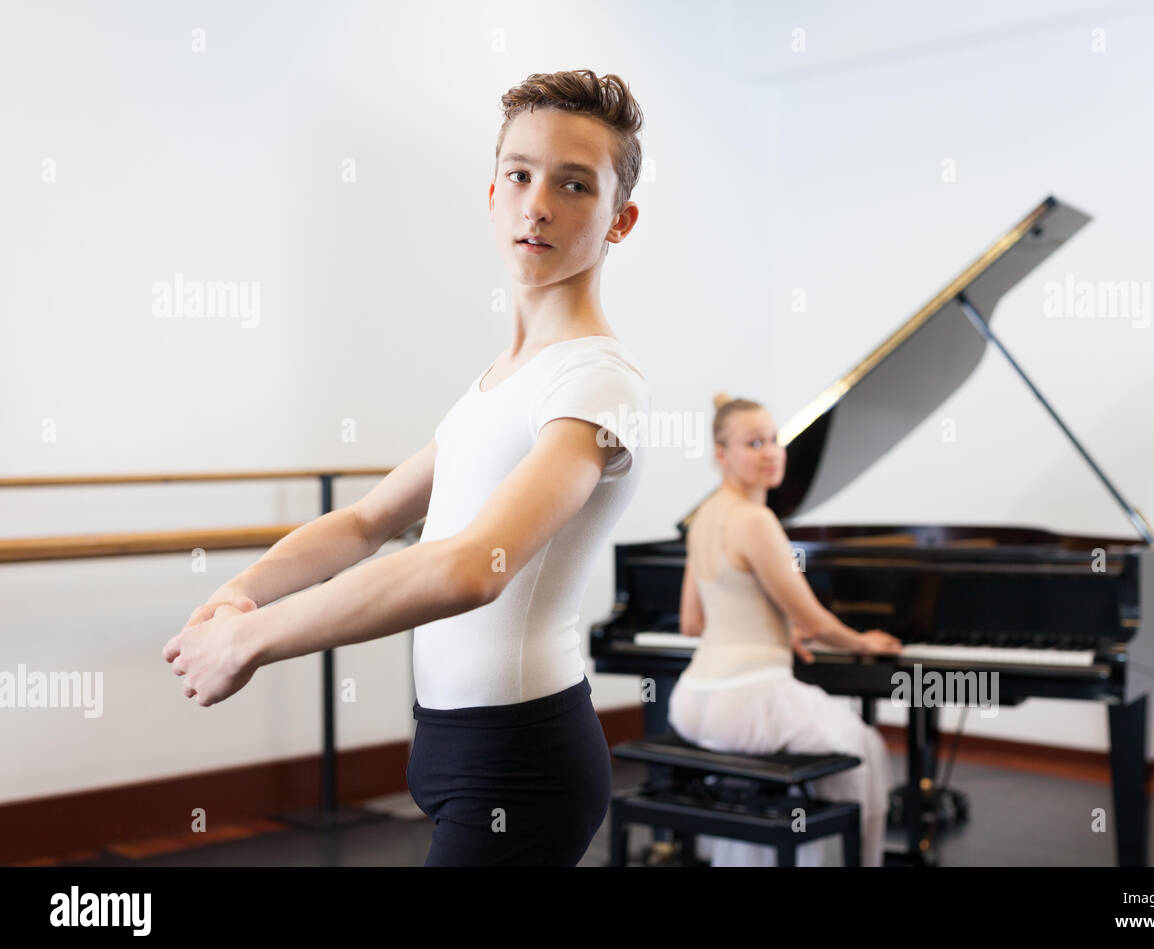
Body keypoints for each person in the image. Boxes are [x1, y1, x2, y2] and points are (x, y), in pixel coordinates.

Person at [162, 69, 651, 866]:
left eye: (573, 184)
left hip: (521, 760)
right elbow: (365, 522)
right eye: (520, 176)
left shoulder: (596, 382)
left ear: (619, 220)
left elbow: (471, 568)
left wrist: (254, 640)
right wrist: (239, 591)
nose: (537, 204)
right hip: (452, 742)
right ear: (490, 193)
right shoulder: (500, 381)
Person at [667, 393, 902, 867]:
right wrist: (863, 642)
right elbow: (814, 620)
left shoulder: (703, 518)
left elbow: (693, 623)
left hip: (691, 701)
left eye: (774, 439)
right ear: (721, 454)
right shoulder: (756, 519)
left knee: (828, 756)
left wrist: (772, 629)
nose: (771, 452)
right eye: (754, 443)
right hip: (750, 702)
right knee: (867, 751)